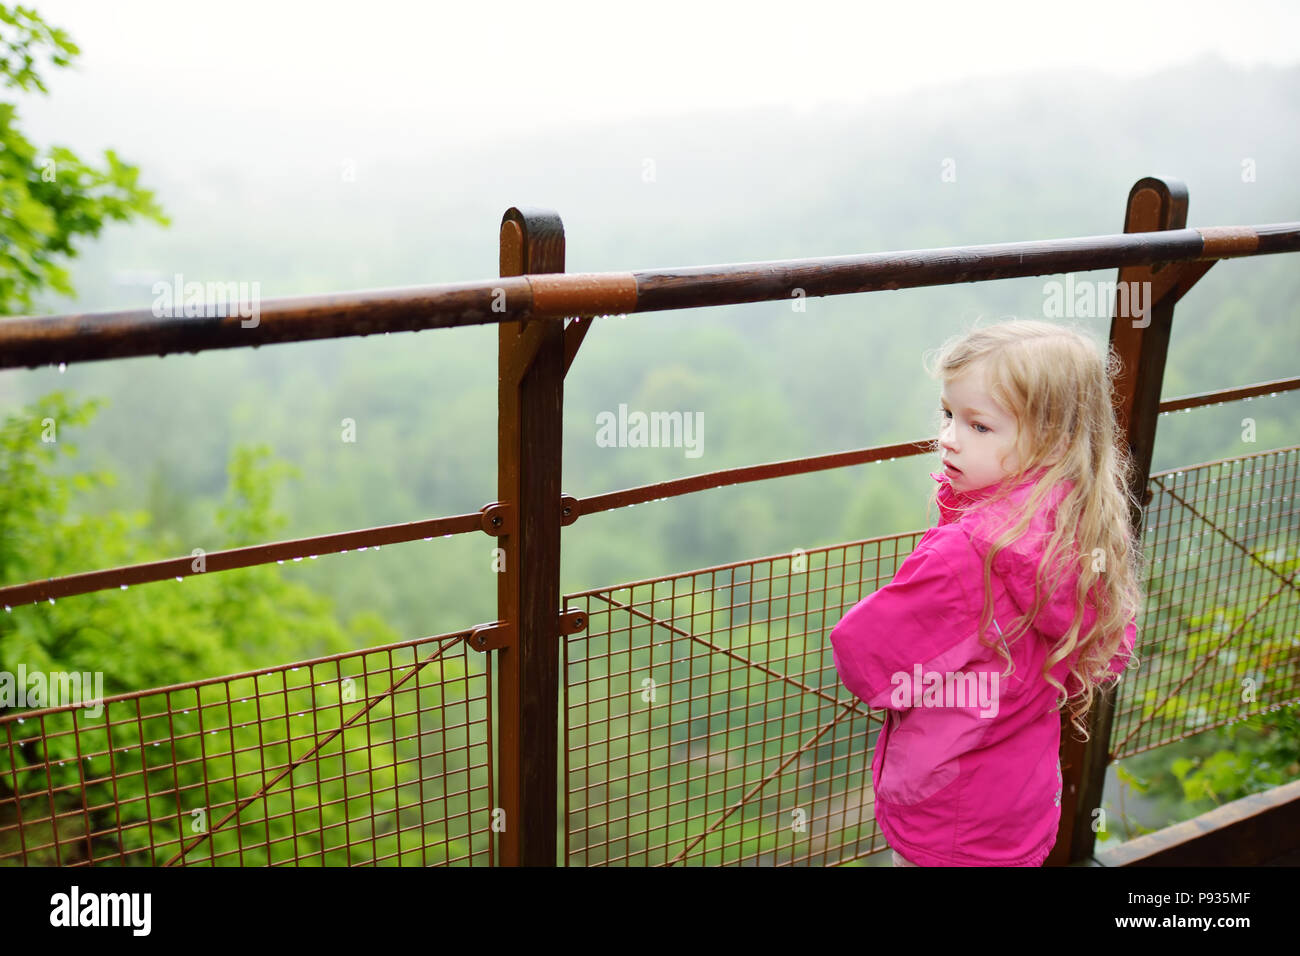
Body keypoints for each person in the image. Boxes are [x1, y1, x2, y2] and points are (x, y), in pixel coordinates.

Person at [831, 319, 1143, 867]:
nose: (949, 437)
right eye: (949, 415)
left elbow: (864, 656)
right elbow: (1108, 645)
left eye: (979, 426)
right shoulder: (1085, 522)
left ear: (1054, 439)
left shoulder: (969, 556)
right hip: (1018, 801)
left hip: (947, 812)